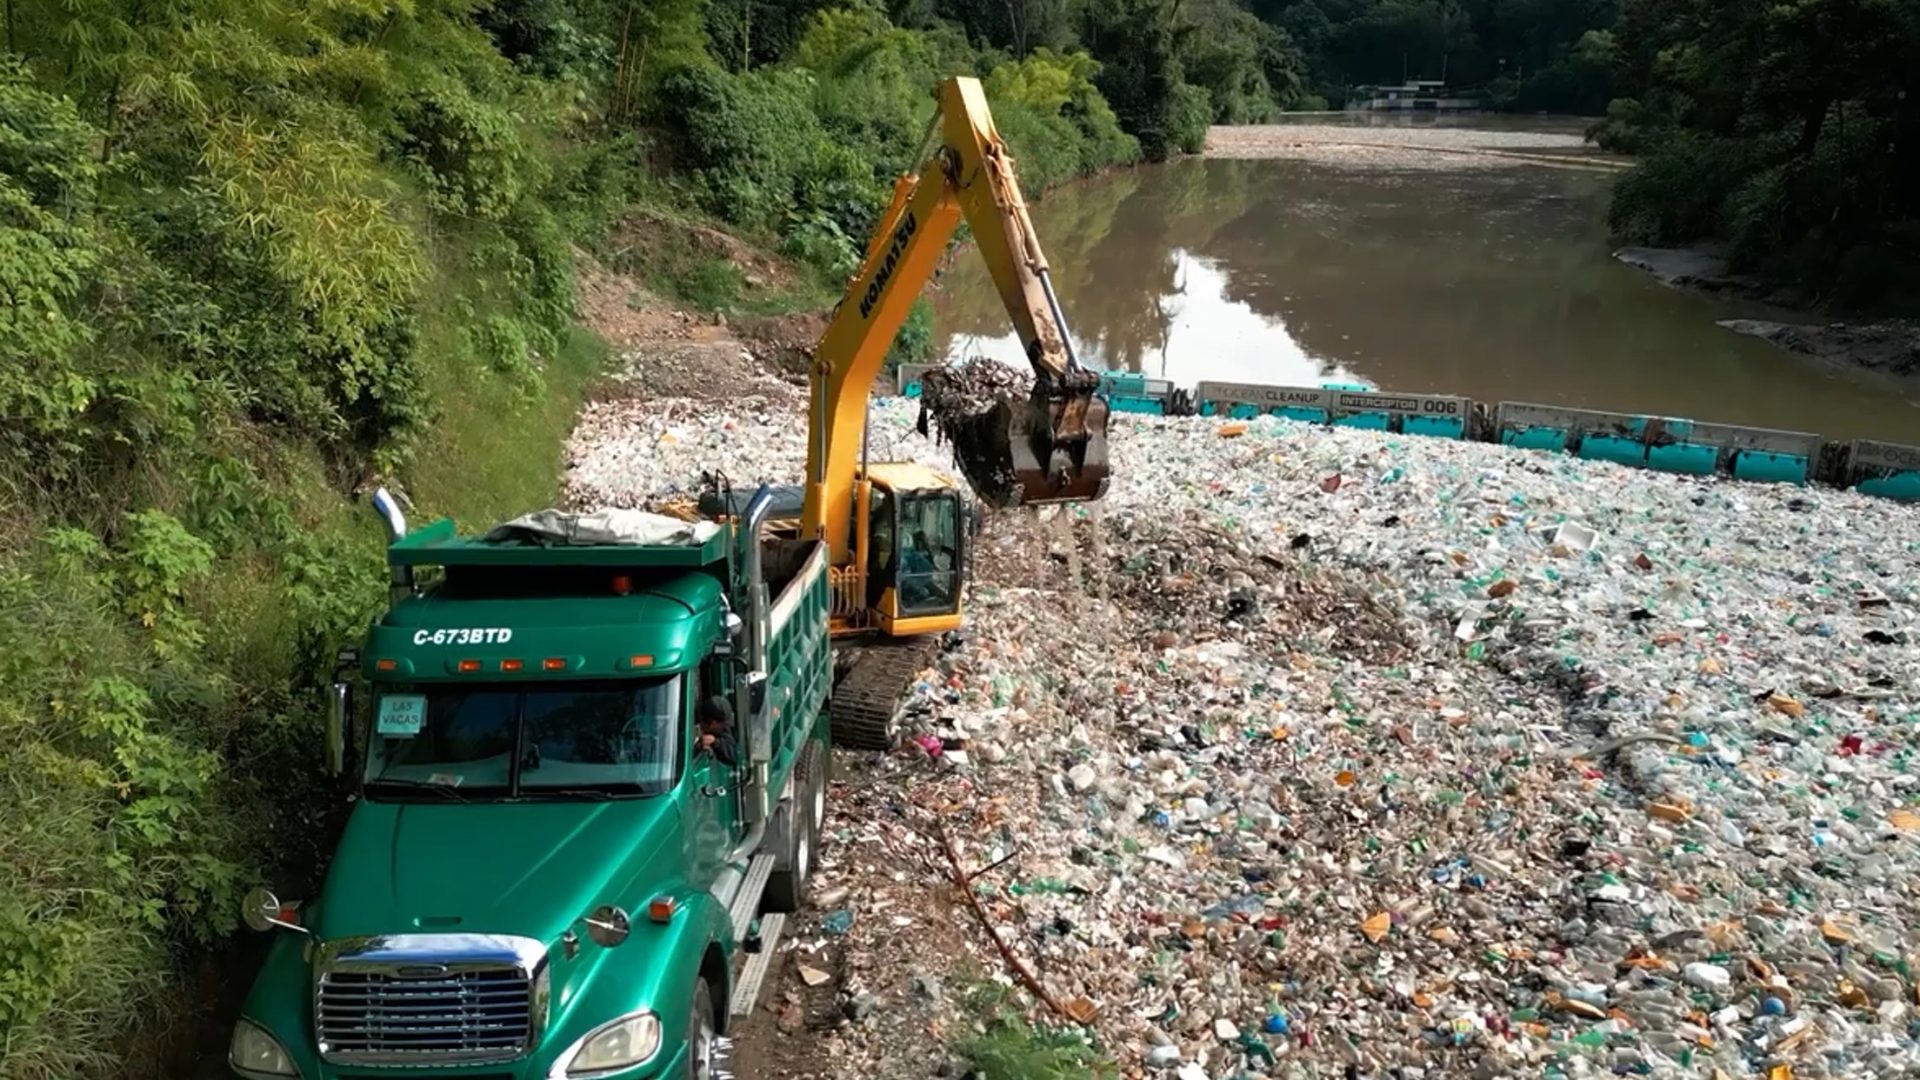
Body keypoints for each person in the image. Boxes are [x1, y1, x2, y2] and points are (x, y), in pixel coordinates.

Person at [697, 697, 738, 767]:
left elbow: (734, 755)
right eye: (723, 724)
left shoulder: (722, 732)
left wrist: (716, 743)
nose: (725, 727)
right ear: (713, 724)